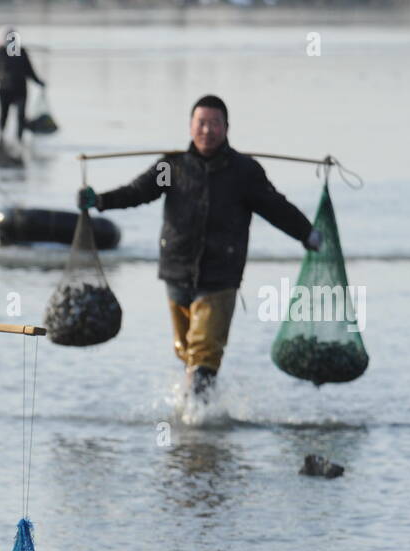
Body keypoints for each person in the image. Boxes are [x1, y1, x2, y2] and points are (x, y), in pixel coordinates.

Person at [78, 95, 323, 396]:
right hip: (176, 273)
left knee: (205, 352)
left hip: (220, 276)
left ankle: (199, 422)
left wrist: (306, 234)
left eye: (214, 124)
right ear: (191, 126)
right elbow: (136, 192)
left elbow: (276, 208)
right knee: (186, 352)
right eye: (201, 123)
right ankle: (198, 417)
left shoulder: (244, 171)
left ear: (226, 128)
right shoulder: (172, 167)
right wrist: (99, 201)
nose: (207, 130)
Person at [0, 26, 45, 146]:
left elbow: (29, 71)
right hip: (4, 91)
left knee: (21, 117)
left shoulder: (22, 52)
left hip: (20, 90)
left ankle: (19, 140)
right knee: (3, 116)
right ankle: (1, 139)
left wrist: (39, 82)